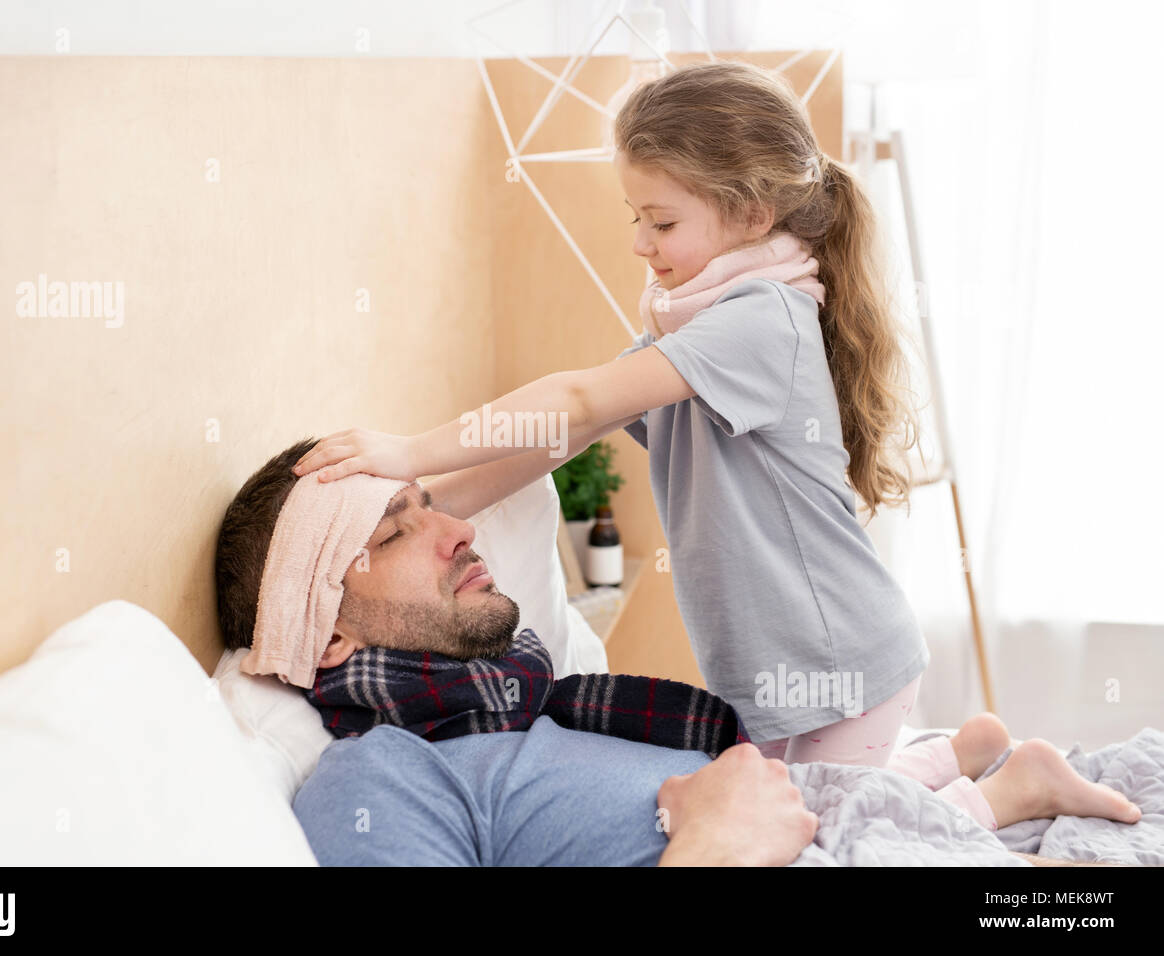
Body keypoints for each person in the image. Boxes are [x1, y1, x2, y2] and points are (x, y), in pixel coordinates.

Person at [288, 60, 935, 766]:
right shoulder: (694, 332)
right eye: (636, 218)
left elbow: (578, 398)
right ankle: (960, 763)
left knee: (824, 834)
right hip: (781, 675)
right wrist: (405, 509)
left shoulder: (760, 321)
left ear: (753, 214)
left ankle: (997, 787)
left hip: (844, 666)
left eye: (661, 221)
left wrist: (410, 451)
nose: (638, 242)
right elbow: (558, 434)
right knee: (796, 817)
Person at [212, 441, 1141, 866]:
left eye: (431, 503)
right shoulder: (378, 784)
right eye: (392, 532)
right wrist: (714, 847)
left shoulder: (550, 706)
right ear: (323, 634)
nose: (454, 530)